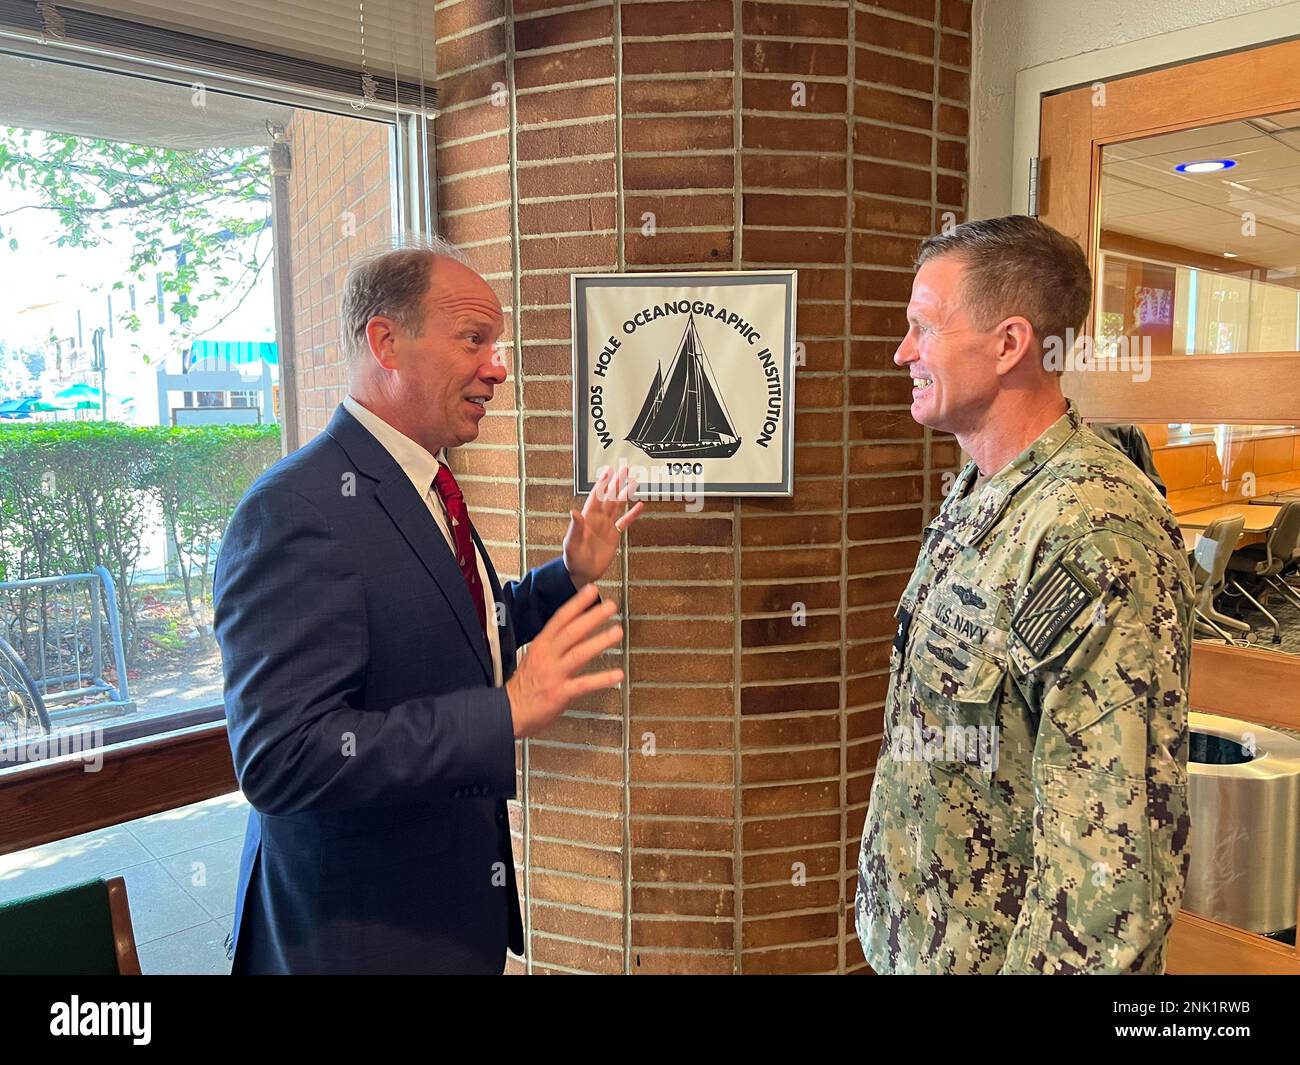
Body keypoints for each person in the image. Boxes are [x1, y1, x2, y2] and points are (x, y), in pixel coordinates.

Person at [213, 240, 643, 974]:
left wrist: (568, 572)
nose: (498, 366)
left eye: (496, 344)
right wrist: (502, 713)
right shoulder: (294, 508)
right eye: (474, 339)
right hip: (357, 942)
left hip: (449, 918)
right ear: (386, 341)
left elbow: (463, 626)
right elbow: (281, 756)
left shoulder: (426, 482)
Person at [855, 216, 1195, 974]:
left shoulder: (1093, 532)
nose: (903, 352)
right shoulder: (986, 491)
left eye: (922, 328)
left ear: (1009, 345)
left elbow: (1111, 886)